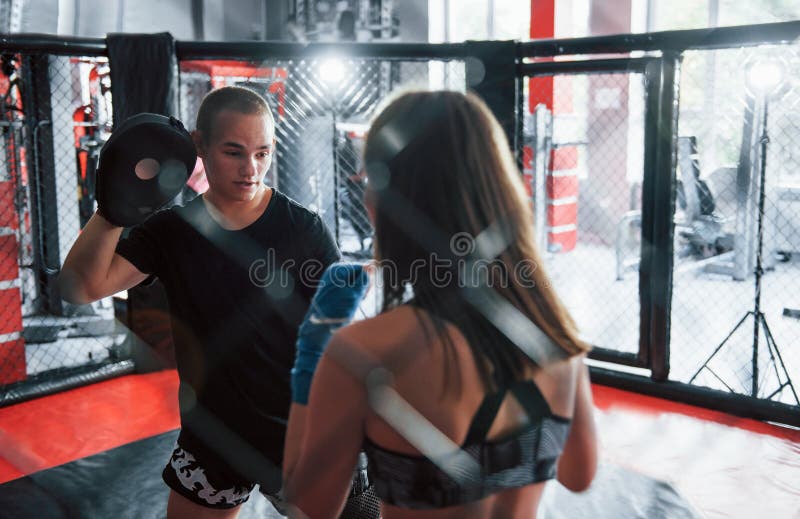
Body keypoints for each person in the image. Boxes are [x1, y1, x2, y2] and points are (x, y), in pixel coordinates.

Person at [285, 91, 598, 518]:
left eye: (372, 181)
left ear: (393, 204)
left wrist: (311, 355)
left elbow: (308, 507)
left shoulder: (364, 353)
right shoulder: (553, 332)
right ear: (500, 190)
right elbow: (579, 474)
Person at [58, 85, 341, 518]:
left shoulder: (302, 229)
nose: (251, 168)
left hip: (295, 432)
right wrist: (112, 211)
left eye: (262, 153)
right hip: (213, 437)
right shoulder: (172, 231)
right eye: (234, 152)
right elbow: (80, 288)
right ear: (200, 146)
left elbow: (339, 328)